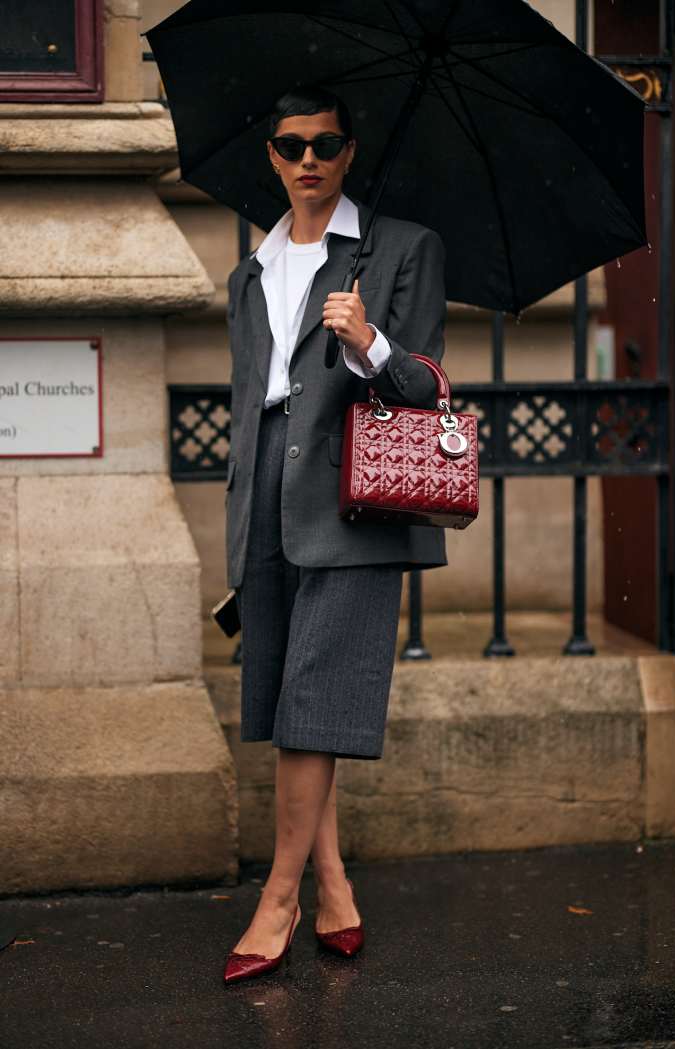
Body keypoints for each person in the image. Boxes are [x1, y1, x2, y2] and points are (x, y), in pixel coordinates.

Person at [223, 85, 447, 983]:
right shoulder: (252, 271)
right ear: (272, 158)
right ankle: (334, 883)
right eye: (290, 145)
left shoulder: (401, 249)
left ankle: (277, 899)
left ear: (349, 152)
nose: (308, 158)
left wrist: (372, 344)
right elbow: (252, 404)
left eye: (325, 143)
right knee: (287, 696)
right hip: (269, 491)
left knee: (315, 698)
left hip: (353, 492)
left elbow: (427, 386)